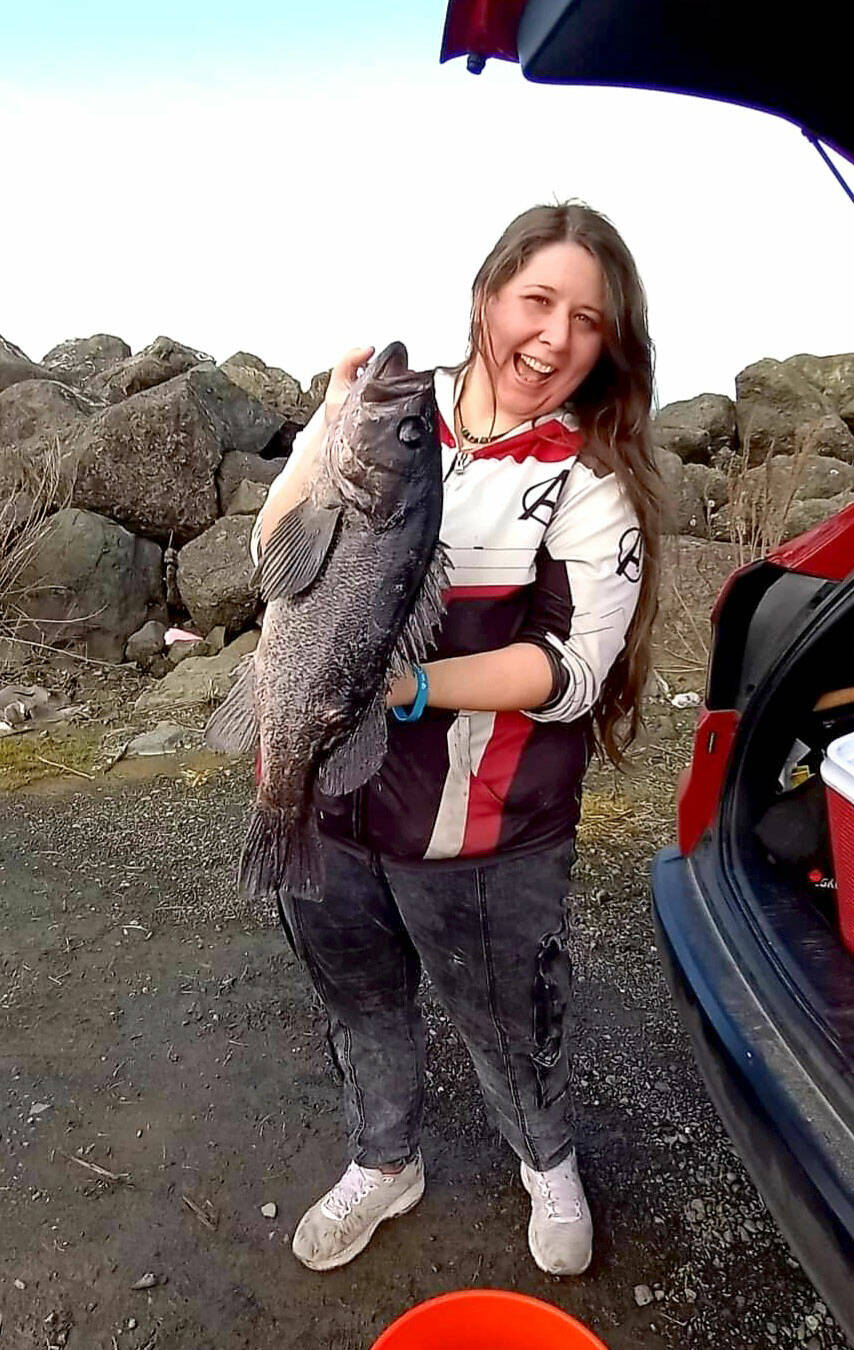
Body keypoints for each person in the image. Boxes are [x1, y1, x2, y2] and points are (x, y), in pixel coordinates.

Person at [250, 202, 661, 1277]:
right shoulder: (386, 418)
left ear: (610, 345)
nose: (556, 335)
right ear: (489, 295)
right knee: (363, 1000)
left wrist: (406, 683)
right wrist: (325, 434)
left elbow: (570, 674)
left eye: (589, 319)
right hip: (335, 810)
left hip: (488, 827)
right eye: (538, 300)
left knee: (507, 1014)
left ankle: (547, 1162)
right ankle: (385, 1163)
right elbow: (275, 551)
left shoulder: (590, 482)